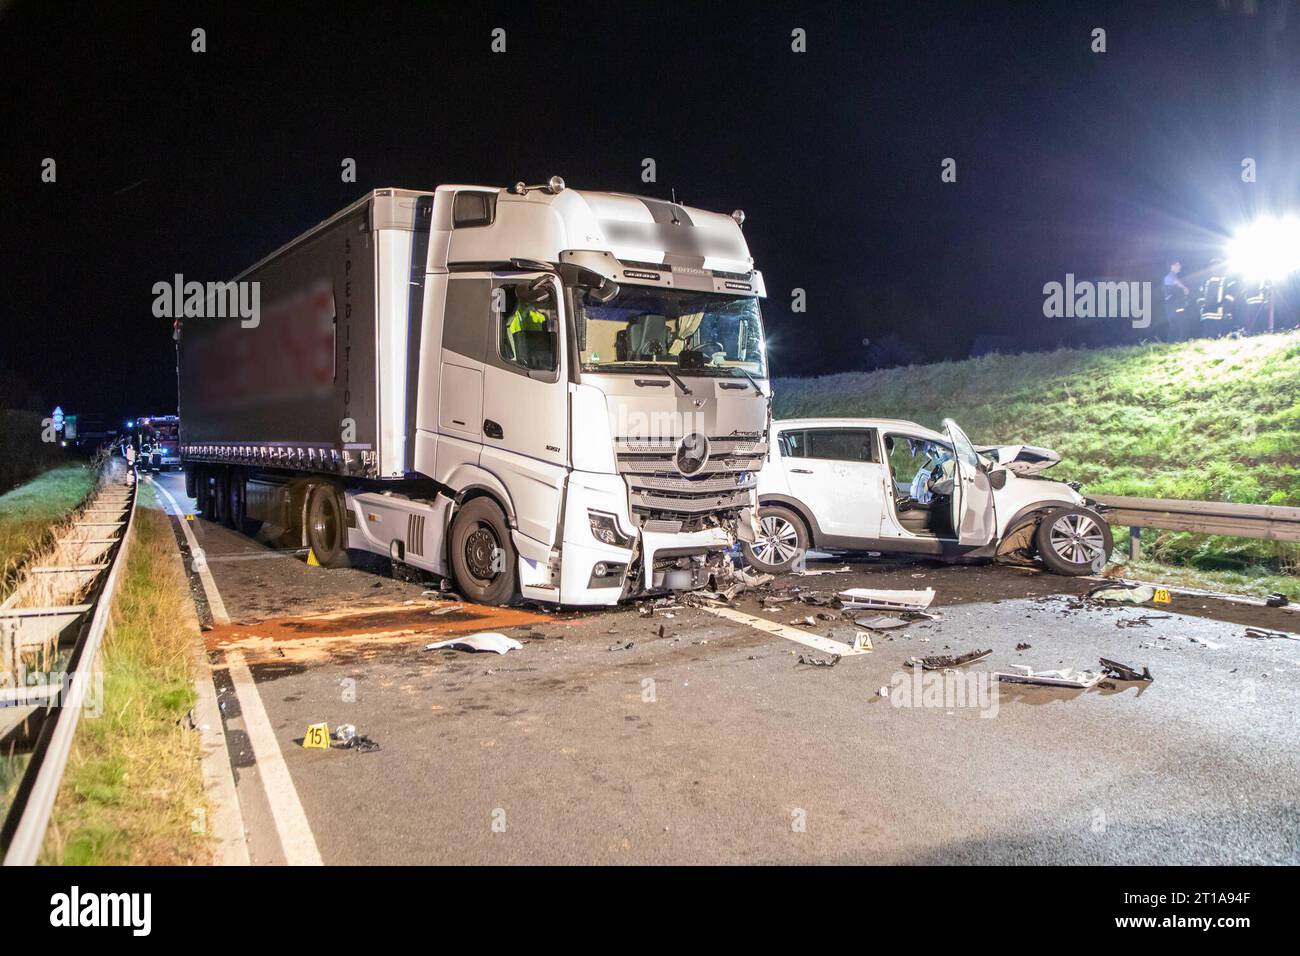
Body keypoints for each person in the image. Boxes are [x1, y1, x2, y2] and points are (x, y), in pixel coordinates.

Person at [1162, 260, 1190, 340]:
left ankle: (1173, 342)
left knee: (1175, 325)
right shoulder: (1170, 277)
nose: (1180, 266)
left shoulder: (1174, 277)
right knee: (1180, 323)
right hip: (1174, 305)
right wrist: (1184, 288)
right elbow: (1175, 282)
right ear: (1172, 266)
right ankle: (1179, 341)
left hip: (1174, 305)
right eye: (1178, 265)